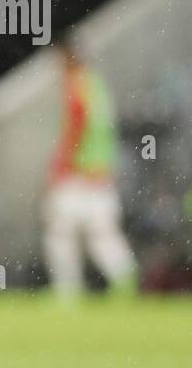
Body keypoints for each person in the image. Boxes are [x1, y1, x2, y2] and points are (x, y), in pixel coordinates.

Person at [43, 42, 136, 296]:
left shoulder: (77, 86)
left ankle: (67, 290)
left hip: (79, 171)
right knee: (103, 234)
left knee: (59, 233)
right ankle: (125, 281)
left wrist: (61, 162)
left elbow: (77, 124)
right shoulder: (97, 85)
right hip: (101, 171)